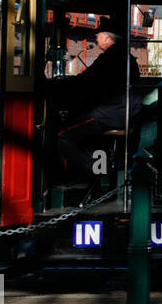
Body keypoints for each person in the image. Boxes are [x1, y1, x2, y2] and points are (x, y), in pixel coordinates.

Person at [50, 18, 142, 188]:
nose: (96, 38)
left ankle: (86, 177)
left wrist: (56, 85)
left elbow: (85, 81)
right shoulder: (125, 56)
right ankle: (98, 172)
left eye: (98, 35)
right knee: (83, 130)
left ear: (108, 38)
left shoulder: (110, 58)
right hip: (125, 111)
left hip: (111, 113)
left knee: (64, 134)